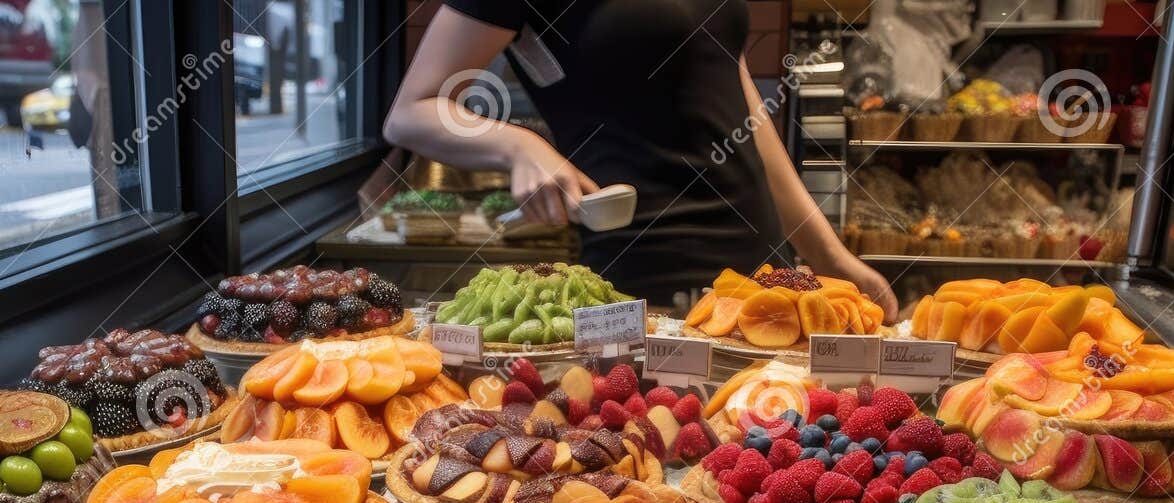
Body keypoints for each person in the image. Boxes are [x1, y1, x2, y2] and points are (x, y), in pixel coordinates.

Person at [383, 1, 896, 314]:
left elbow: (748, 123)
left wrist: (831, 260)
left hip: (764, 280)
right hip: (643, 294)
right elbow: (412, 111)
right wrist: (519, 145)